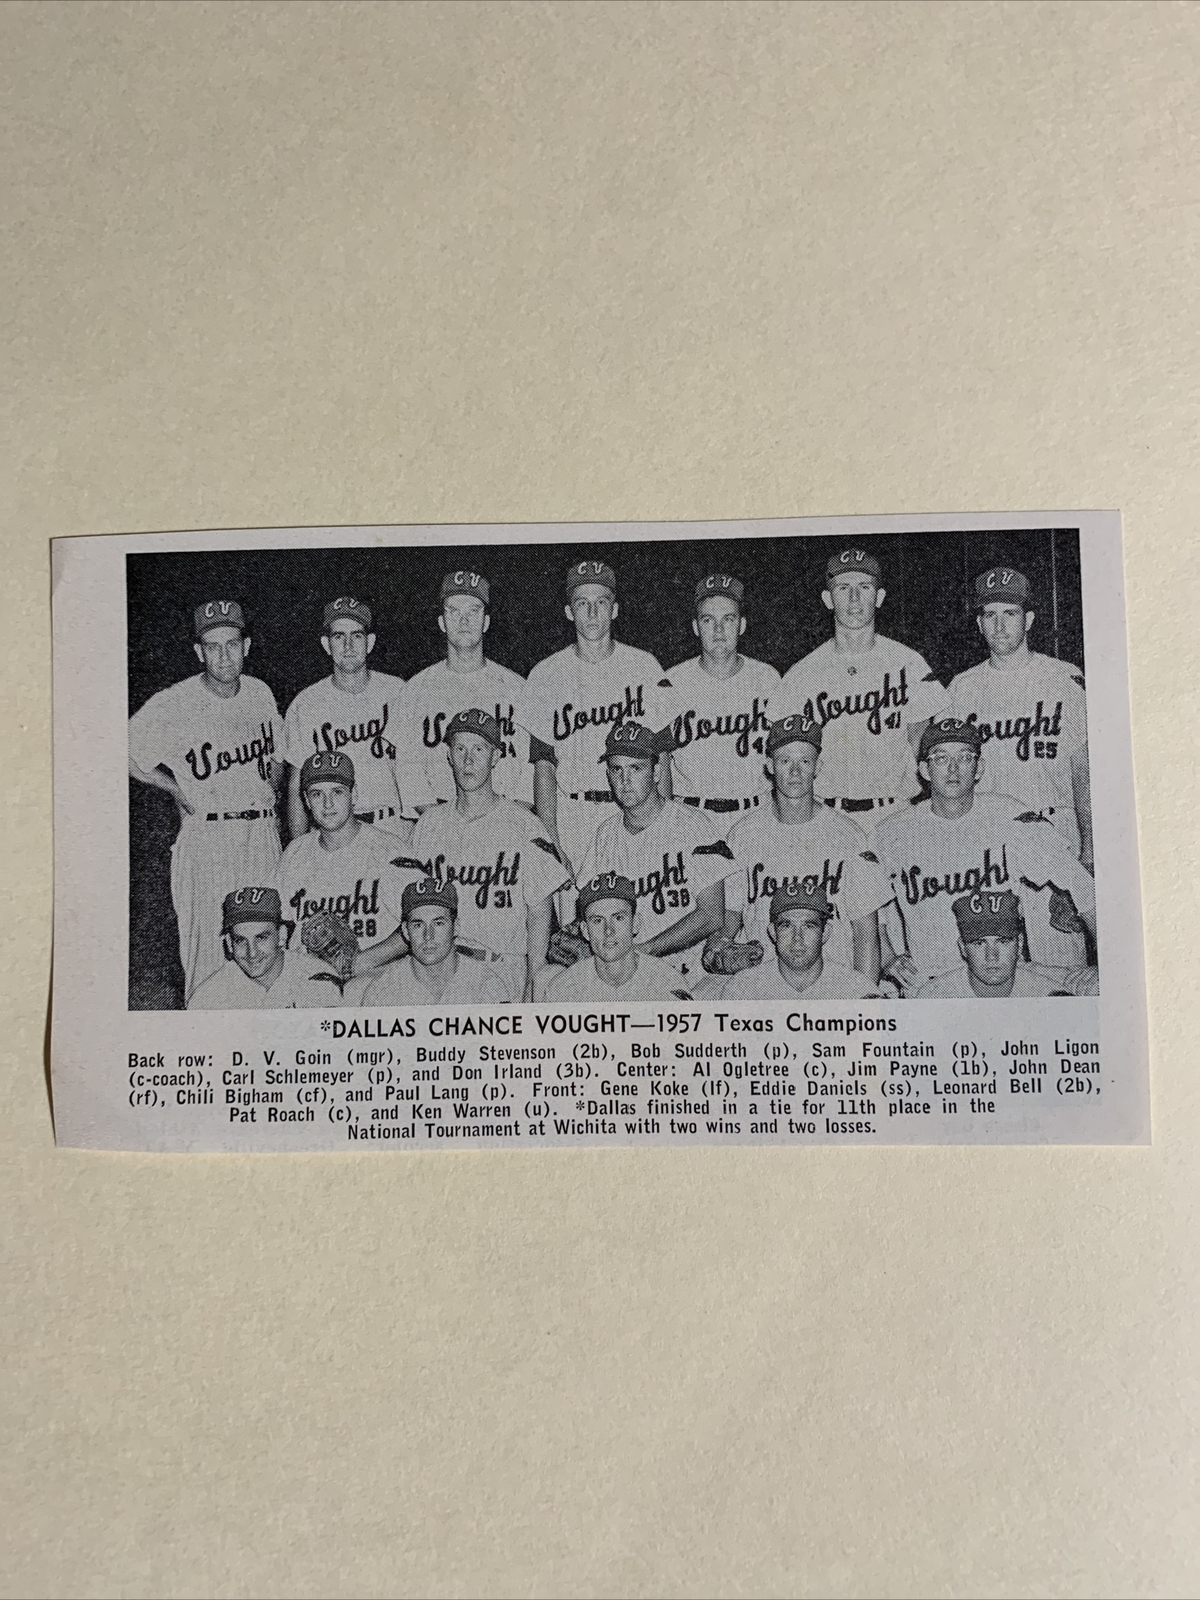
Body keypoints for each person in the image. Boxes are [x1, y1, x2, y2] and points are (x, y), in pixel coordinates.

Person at [129, 598, 283, 1002]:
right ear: (199, 651)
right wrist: (175, 788)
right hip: (209, 838)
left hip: (262, 832)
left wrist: (271, 782)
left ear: (246, 646)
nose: (224, 655)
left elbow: (277, 758)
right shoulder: (173, 702)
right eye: (212, 646)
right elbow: (121, 750)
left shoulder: (260, 694)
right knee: (209, 956)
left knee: (267, 951)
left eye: (232, 644)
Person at [874, 718, 1097, 993]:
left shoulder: (1007, 815)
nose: (953, 769)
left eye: (965, 758)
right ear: (924, 769)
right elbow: (867, 904)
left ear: (979, 768)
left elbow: (1081, 884)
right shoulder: (891, 832)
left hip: (1005, 979)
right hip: (931, 983)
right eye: (941, 758)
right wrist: (886, 956)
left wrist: (1107, 960)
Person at [778, 547, 949, 829]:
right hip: (827, 814)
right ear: (827, 599)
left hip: (894, 812)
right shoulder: (802, 674)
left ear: (879, 596)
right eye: (843, 588)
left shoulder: (908, 663)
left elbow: (922, 744)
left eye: (864, 587)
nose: (854, 599)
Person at [712, 714, 891, 982]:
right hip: (765, 984)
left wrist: (861, 1001)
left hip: (833, 982)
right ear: (770, 765)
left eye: (804, 762)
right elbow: (729, 919)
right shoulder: (743, 834)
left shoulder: (849, 834)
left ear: (818, 767)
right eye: (785, 761)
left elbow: (866, 936)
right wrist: (721, 947)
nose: (795, 772)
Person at [410, 709, 571, 1001]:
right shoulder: (428, 824)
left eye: (479, 749)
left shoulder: (523, 823)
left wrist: (533, 981)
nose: (468, 760)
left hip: (503, 966)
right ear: (448, 755)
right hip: (444, 968)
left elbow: (538, 911)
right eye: (460, 748)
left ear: (496, 757)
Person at [525, 559, 671, 879]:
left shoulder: (645, 667)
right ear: (568, 611)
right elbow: (544, 765)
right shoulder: (546, 675)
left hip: (632, 810)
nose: (592, 613)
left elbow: (662, 753)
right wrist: (551, 840)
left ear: (615, 609)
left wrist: (666, 824)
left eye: (600, 603)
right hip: (573, 813)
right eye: (582, 603)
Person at [949, 566, 1092, 867]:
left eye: (1010, 614)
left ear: (1028, 620)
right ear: (979, 623)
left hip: (1057, 828)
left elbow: (1083, 770)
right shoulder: (961, 689)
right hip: (991, 834)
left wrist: (1091, 845)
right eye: (990, 615)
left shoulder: (1064, 678)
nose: (999, 625)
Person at [574, 721, 733, 982]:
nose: (625, 780)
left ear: (657, 772)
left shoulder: (693, 825)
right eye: (617, 769)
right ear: (608, 776)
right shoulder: (605, 835)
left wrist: (647, 950)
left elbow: (712, 915)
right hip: (632, 977)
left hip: (692, 975)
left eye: (636, 768)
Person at [391, 570, 534, 817]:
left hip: (506, 820)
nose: (464, 621)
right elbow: (407, 770)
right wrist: (442, 823)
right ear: (441, 622)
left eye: (473, 611)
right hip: (437, 818)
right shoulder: (415, 690)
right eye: (453, 611)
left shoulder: (517, 688)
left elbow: (530, 769)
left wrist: (508, 818)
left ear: (486, 621)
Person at [275, 752, 420, 987]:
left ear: (355, 795)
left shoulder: (389, 849)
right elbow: (273, 925)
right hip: (310, 987)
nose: (328, 803)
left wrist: (360, 962)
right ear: (306, 800)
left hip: (376, 982)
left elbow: (423, 918)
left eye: (337, 792)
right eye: (317, 794)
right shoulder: (295, 853)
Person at [658, 573, 781, 825]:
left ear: (742, 625)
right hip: (691, 815)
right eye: (708, 620)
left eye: (728, 619)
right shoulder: (672, 681)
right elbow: (660, 759)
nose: (718, 630)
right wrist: (665, 824)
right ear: (695, 627)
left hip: (755, 814)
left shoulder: (767, 679)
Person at [282, 597, 407, 841]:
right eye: (339, 637)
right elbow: (297, 787)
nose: (348, 646)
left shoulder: (398, 692)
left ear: (369, 642)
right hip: (333, 833)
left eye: (357, 636)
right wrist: (299, 850)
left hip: (393, 824)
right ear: (326, 644)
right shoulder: (306, 703)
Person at [188, 886, 355, 1009]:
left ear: (282, 935)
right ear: (229, 944)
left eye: (261, 938)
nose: (251, 952)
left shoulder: (316, 978)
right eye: (240, 940)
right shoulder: (208, 998)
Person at [916, 891, 1097, 998]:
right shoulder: (934, 995)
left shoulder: (1051, 989)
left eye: (1003, 941)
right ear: (963, 948)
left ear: (1019, 946)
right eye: (979, 943)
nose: (992, 956)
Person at [543, 874, 696, 1001]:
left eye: (618, 918)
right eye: (597, 920)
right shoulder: (562, 990)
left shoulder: (668, 984)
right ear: (585, 931)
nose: (608, 930)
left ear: (635, 923)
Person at [719, 884, 883, 1001]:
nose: (797, 938)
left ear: (825, 933)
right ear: (772, 932)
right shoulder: (742, 990)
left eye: (809, 926)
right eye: (786, 925)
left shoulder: (857, 990)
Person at [361, 878, 510, 1005]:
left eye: (438, 923)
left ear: (456, 927)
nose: (428, 936)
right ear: (406, 931)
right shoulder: (381, 993)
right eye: (418, 925)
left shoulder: (487, 987)